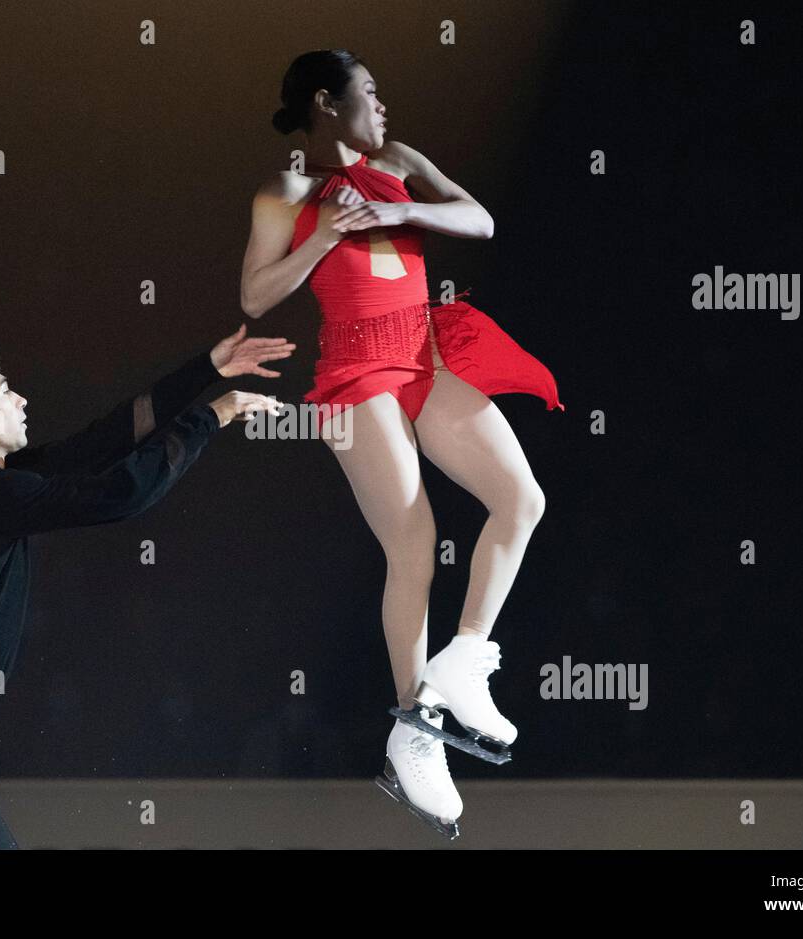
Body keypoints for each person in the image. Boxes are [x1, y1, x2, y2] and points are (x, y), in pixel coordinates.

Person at [240, 49, 564, 837]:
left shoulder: (398, 162)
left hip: (423, 350)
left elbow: (479, 219)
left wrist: (399, 212)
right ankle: (415, 734)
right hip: (355, 366)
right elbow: (254, 293)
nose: (382, 107)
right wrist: (324, 239)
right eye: (369, 93)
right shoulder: (286, 190)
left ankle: (462, 660)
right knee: (415, 541)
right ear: (327, 102)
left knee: (522, 499)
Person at [0, 327, 291, 848]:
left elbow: (106, 441)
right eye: (4, 391)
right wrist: (210, 415)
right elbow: (121, 494)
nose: (22, 399)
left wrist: (208, 370)